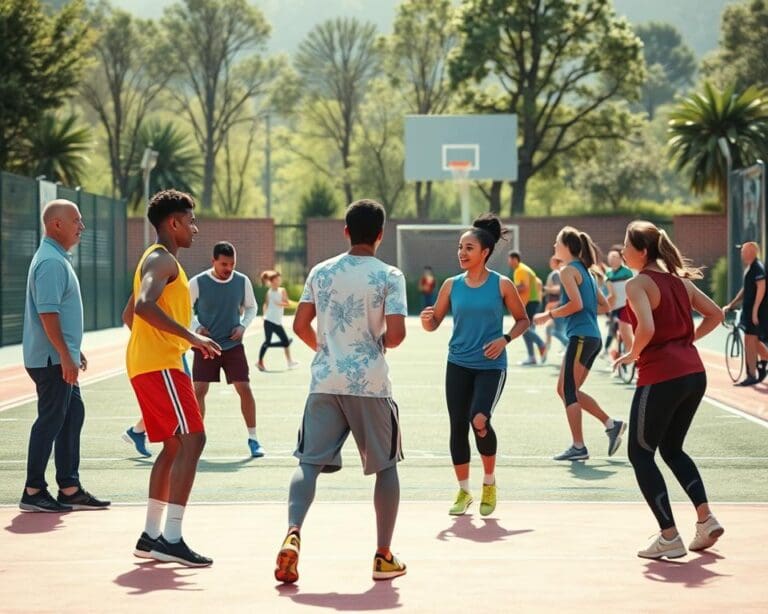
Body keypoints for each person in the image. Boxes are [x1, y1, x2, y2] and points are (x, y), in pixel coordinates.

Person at [274, 199, 408, 584]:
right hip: (371, 384)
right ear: (380, 235)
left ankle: (293, 531)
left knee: (308, 464)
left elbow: (300, 325)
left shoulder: (320, 271)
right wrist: (376, 343)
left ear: (346, 231)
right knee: (385, 467)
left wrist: (326, 350)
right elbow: (396, 335)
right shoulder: (390, 275)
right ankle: (383, 556)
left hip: (324, 382)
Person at [123, 189, 221, 567]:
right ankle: (172, 538)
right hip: (160, 365)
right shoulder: (163, 262)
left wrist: (162, 343)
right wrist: (189, 337)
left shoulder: (154, 261)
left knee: (174, 446)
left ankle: (150, 536)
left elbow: (128, 315)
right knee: (194, 439)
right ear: (173, 223)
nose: (195, 229)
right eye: (191, 221)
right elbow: (144, 306)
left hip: (151, 363)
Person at [615, 221, 724, 559]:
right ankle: (705, 520)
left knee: (640, 453)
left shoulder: (638, 284)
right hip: (694, 374)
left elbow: (645, 326)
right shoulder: (678, 281)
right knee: (672, 449)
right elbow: (716, 314)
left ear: (642, 251)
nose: (621, 249)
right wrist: (686, 341)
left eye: (626, 244)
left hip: (662, 375)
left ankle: (669, 535)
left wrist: (634, 353)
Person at [421, 214, 528, 517]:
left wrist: (505, 339)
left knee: (479, 420)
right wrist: (428, 321)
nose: (462, 253)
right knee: (458, 425)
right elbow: (434, 323)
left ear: (485, 252)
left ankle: (490, 483)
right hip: (457, 363)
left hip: (491, 366)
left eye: (469, 248)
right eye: (460, 247)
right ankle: (464, 491)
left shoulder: (502, 284)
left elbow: (523, 320)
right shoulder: (450, 286)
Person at [20, 199, 111, 512]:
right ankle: (33, 490)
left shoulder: (56, 258)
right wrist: (65, 354)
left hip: (58, 356)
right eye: (77, 220)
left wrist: (73, 349)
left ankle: (69, 488)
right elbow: (48, 314)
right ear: (56, 224)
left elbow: (58, 315)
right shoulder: (51, 263)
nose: (81, 227)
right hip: (51, 361)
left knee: (72, 415)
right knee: (51, 419)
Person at [533, 227, 625, 461]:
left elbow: (575, 304)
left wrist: (549, 315)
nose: (554, 246)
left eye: (557, 242)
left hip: (582, 337)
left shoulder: (567, 271)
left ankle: (579, 446)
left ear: (567, 247)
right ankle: (611, 424)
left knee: (568, 390)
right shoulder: (588, 272)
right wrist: (582, 310)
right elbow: (604, 306)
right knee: (566, 390)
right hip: (591, 337)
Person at [189, 241, 263, 457]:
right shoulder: (198, 282)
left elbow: (252, 307)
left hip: (233, 346)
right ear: (213, 262)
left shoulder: (242, 281)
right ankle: (196, 439)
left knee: (245, 389)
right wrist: (196, 327)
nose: (228, 268)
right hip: (206, 346)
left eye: (232, 264)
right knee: (199, 391)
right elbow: (184, 308)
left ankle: (254, 439)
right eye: (223, 264)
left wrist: (243, 326)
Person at [723, 242, 768, 385]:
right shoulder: (750, 268)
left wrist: (755, 311)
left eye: (743, 250)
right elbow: (745, 290)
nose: (741, 253)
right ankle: (761, 365)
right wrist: (732, 304)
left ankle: (751, 376)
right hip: (749, 311)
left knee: (750, 342)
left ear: (751, 252)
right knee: (753, 342)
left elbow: (761, 288)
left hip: (756, 313)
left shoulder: (757, 268)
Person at [508, 251, 547, 365]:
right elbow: (538, 282)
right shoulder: (525, 269)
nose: (508, 262)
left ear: (515, 259)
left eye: (509, 259)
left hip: (529, 302)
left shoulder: (520, 270)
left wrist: (509, 290)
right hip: (533, 301)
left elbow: (524, 287)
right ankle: (532, 357)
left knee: (523, 327)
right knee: (525, 329)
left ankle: (541, 345)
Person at [257, 270, 298, 372]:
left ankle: (289, 362)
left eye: (280, 279)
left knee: (282, 342)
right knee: (285, 342)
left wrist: (279, 304)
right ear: (272, 281)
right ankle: (260, 362)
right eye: (277, 279)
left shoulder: (282, 290)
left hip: (277, 321)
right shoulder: (269, 292)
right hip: (269, 320)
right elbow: (265, 304)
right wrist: (264, 314)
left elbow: (287, 303)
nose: (279, 281)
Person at [604, 245, 635, 359]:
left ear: (620, 258)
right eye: (610, 258)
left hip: (626, 306)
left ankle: (634, 358)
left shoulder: (628, 272)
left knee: (625, 334)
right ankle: (618, 357)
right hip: (614, 308)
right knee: (615, 333)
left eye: (614, 257)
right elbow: (611, 294)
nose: (612, 260)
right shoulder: (608, 274)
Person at [543, 256, 568, 351]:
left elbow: (558, 289)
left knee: (552, 330)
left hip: (556, 305)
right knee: (551, 330)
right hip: (555, 305)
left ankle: (566, 344)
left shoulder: (556, 274)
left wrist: (546, 289)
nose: (550, 263)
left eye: (552, 261)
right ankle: (546, 351)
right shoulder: (558, 274)